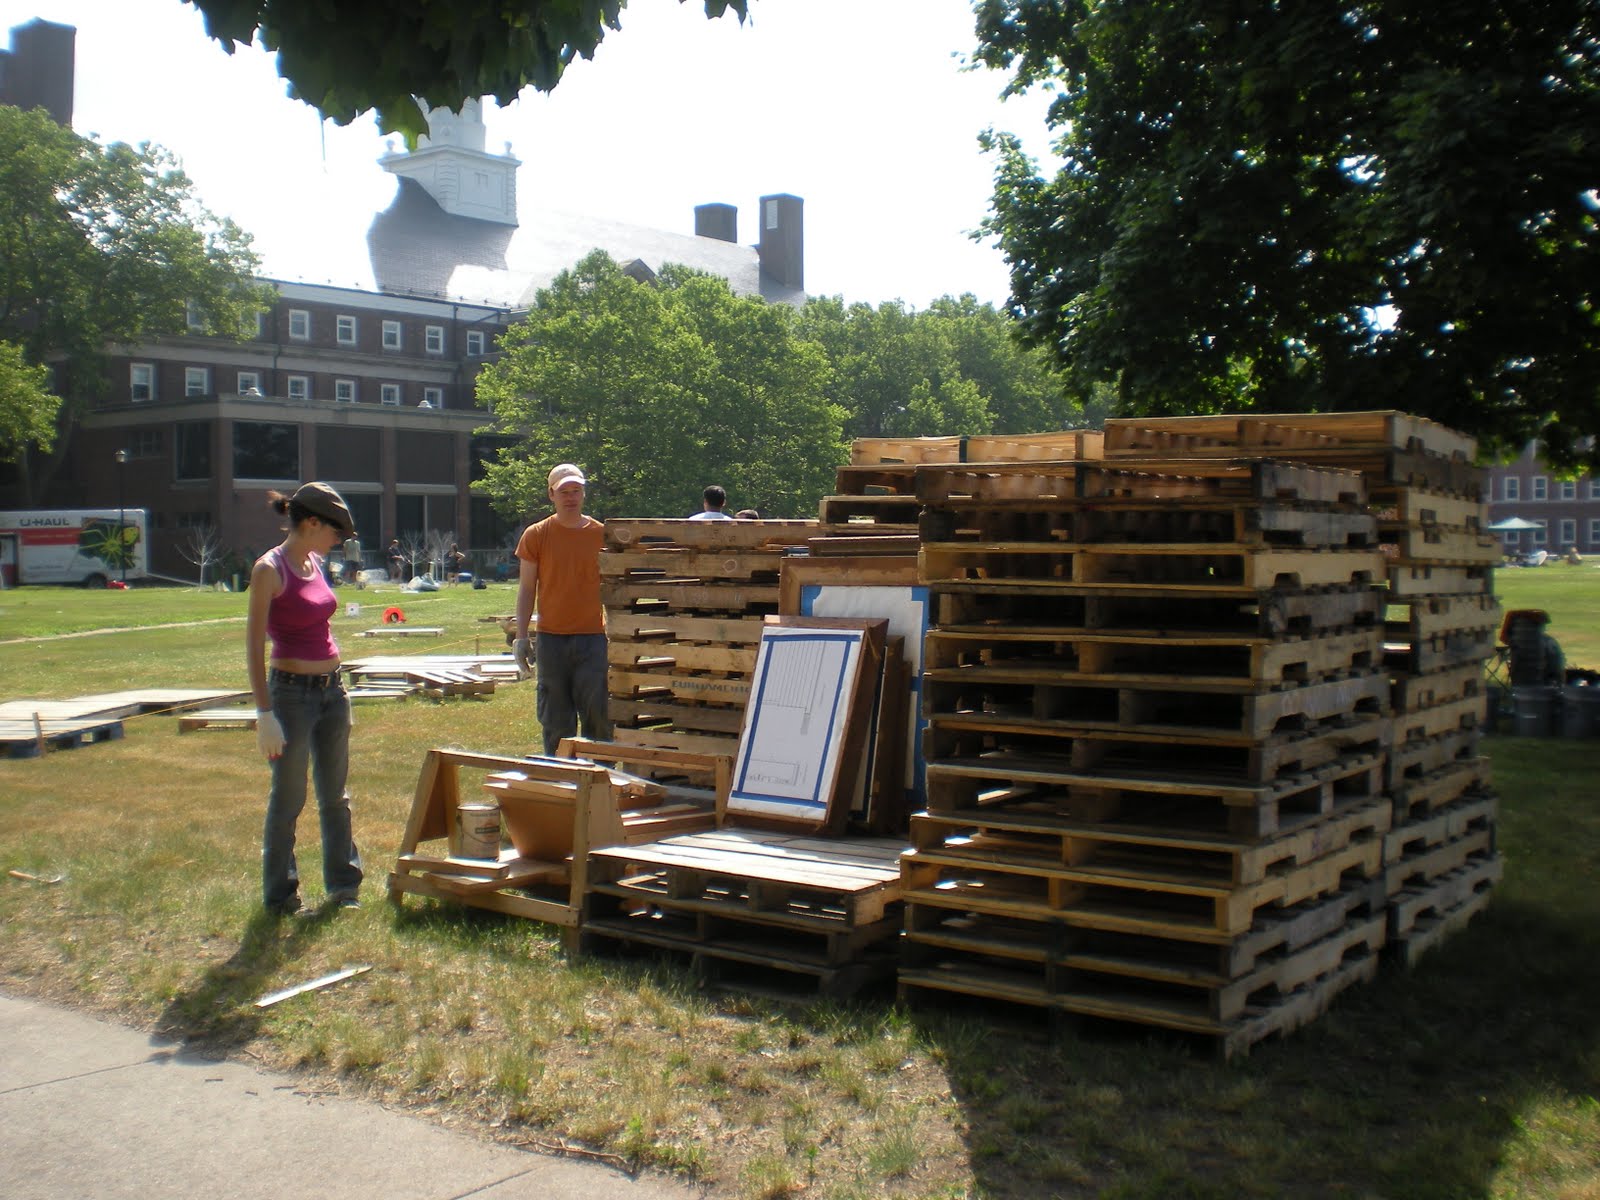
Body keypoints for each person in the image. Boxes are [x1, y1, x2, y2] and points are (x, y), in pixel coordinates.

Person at [245, 482, 363, 916]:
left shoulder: (315, 561)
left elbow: (320, 621)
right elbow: (254, 644)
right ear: (312, 523)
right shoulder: (268, 570)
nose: (338, 542)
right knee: (289, 797)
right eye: (336, 532)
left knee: (335, 795)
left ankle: (344, 886)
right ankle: (280, 895)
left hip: (333, 692)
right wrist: (264, 713)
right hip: (291, 696)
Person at [514, 463, 611, 754]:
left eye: (576, 491)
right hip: (551, 639)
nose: (571, 498)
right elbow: (527, 588)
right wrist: (521, 637)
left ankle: (600, 778)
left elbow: (615, 586)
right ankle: (560, 778)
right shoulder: (536, 534)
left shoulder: (602, 535)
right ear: (551, 495)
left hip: (593, 637)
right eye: (564, 492)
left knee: (598, 713)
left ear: (583, 494)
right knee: (556, 718)